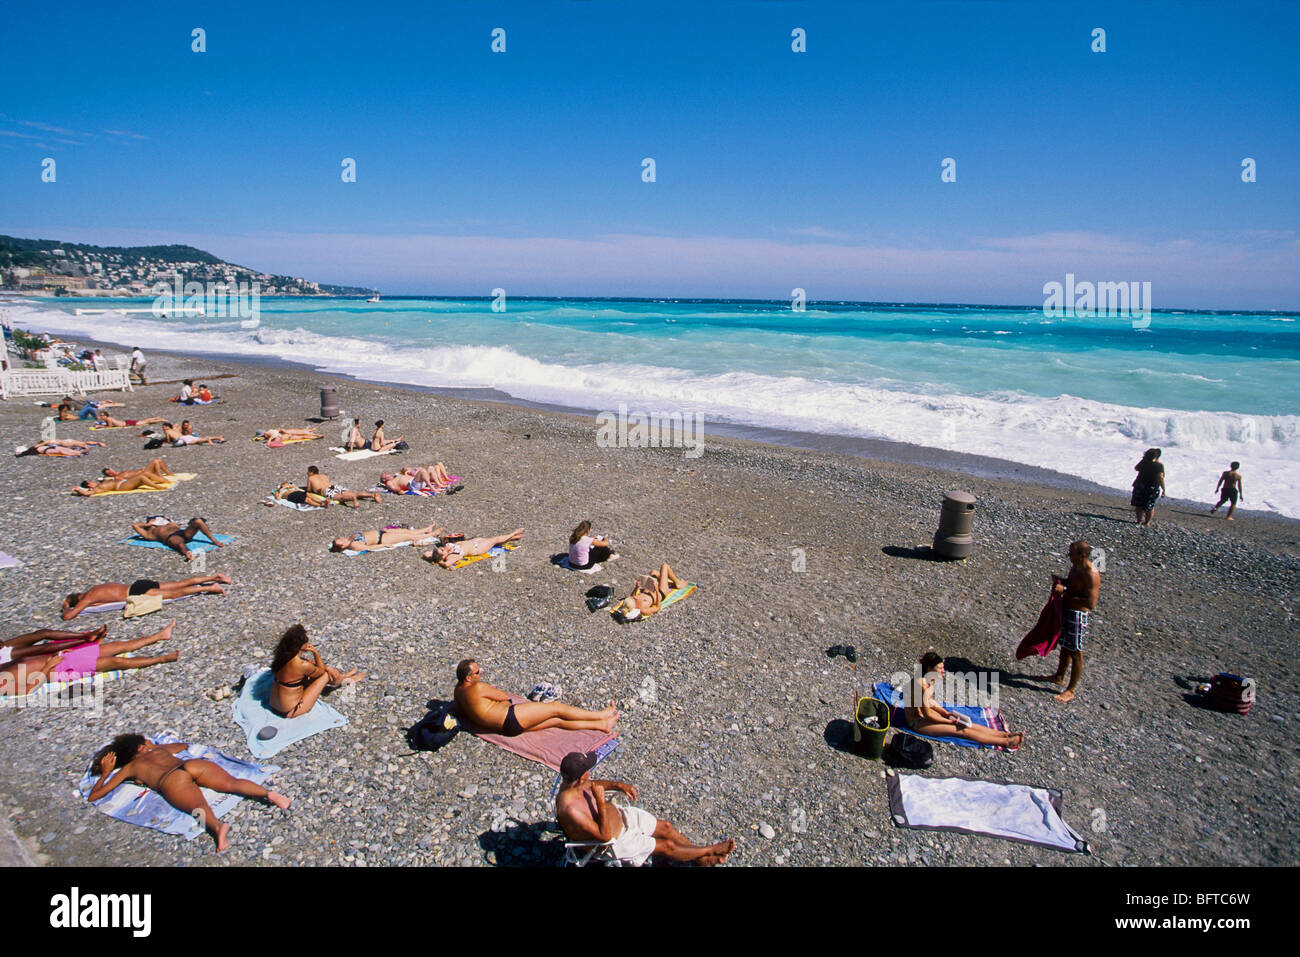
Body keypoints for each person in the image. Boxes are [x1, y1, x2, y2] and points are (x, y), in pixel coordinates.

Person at [86, 734, 291, 852]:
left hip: (170, 780)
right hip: (191, 765)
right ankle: (270, 795)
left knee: (199, 808)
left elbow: (95, 795)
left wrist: (105, 773)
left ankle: (218, 829)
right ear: (141, 746)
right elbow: (183, 746)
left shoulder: (128, 769)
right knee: (232, 783)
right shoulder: (159, 750)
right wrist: (155, 746)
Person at [555, 751, 733, 866]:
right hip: (615, 842)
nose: (591, 771)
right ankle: (708, 851)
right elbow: (604, 837)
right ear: (582, 777)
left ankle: (700, 859)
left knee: (666, 827)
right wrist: (601, 802)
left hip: (622, 817)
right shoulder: (571, 809)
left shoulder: (574, 784)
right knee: (667, 846)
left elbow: (592, 784)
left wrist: (618, 785)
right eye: (589, 769)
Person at [1, 621, 179, 697]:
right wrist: (48, 665)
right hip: (60, 670)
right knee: (116, 662)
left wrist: (51, 657)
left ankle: (160, 636)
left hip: (59, 659)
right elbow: (28, 689)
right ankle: (162, 659)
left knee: (117, 646)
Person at [453, 659, 617, 735]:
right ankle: (600, 715)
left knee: (556, 722)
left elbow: (461, 710)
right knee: (556, 708)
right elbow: (503, 696)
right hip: (511, 717)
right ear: (468, 678)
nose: (481, 672)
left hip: (504, 729)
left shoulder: (458, 690)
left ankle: (602, 725)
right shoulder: (478, 688)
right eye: (477, 672)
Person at [904, 651, 1025, 747]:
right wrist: (948, 721)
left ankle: (1004, 734)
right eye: (940, 668)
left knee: (969, 724)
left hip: (926, 715)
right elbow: (928, 714)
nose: (943, 671)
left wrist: (945, 713)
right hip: (917, 722)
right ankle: (1005, 742)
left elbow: (931, 702)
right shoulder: (922, 685)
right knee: (961, 730)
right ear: (930, 668)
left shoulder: (928, 678)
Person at [1035, 540, 1101, 703]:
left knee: (1076, 651)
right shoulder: (1076, 566)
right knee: (1065, 645)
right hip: (1067, 609)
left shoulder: (1091, 574)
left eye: (1072, 554)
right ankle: (1059, 676)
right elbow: (1073, 586)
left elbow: (1090, 603)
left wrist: (1064, 591)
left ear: (1082, 555)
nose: (1069, 557)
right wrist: (1062, 582)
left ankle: (1071, 690)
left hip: (1078, 614)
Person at [269, 624, 364, 718]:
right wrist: (315, 653)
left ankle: (344, 676)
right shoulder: (301, 664)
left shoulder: (283, 658)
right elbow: (321, 672)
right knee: (327, 674)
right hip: (291, 711)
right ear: (302, 646)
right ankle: (346, 680)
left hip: (273, 706)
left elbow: (311, 667)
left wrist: (325, 667)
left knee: (312, 665)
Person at [61, 575, 231, 619]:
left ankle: (211, 587)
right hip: (138, 584)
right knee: (180, 583)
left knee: (177, 593)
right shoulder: (96, 588)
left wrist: (66, 606)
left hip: (136, 593)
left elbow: (69, 616)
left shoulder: (89, 598)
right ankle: (214, 577)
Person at [612, 562, 686, 621]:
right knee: (664, 566)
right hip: (660, 592)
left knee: (653, 572)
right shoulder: (643, 609)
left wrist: (637, 586)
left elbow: (632, 596)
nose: (635, 597)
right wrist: (656, 589)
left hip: (649, 587)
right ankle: (677, 583)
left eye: (634, 598)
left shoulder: (632, 600)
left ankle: (668, 581)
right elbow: (657, 607)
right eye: (634, 599)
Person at [129, 515, 224, 561]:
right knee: (180, 544)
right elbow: (135, 526)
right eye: (155, 518)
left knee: (198, 521)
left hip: (182, 532)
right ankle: (188, 553)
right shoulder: (150, 532)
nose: (158, 520)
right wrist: (149, 524)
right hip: (171, 537)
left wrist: (166, 520)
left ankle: (214, 540)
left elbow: (174, 523)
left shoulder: (169, 523)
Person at [422, 528, 522, 568]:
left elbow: (426, 554)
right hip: (478, 549)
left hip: (473, 542)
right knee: (495, 540)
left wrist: (434, 557)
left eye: (441, 549)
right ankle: (514, 533)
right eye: (442, 551)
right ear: (443, 556)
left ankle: (513, 537)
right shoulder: (452, 556)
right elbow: (447, 564)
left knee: (493, 540)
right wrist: (440, 561)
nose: (442, 548)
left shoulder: (445, 550)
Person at [330, 522, 445, 553]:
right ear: (343, 545)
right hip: (382, 539)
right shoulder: (353, 545)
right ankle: (432, 534)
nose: (341, 537)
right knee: (408, 536)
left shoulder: (350, 539)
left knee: (405, 531)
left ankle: (426, 530)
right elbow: (369, 548)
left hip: (381, 533)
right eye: (340, 540)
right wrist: (384, 545)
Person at [305, 465, 381, 507]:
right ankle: (372, 495)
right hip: (335, 487)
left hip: (326, 490)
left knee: (341, 498)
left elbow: (309, 490)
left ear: (311, 472)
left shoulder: (311, 478)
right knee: (355, 494)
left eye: (308, 472)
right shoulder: (323, 476)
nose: (307, 473)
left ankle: (353, 499)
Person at [1130, 448, 1165, 526]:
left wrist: (1143, 460)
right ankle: (1147, 522)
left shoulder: (1143, 463)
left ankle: (1139, 520)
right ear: (1155, 457)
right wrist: (1164, 490)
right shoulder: (1159, 465)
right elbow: (1161, 477)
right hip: (1152, 487)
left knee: (1139, 505)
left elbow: (1136, 468)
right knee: (1149, 506)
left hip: (1139, 485)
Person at [74, 472, 173, 496]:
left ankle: (165, 481)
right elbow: (87, 493)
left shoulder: (101, 483)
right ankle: (158, 487)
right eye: (91, 482)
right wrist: (79, 489)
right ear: (89, 485)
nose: (93, 482)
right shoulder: (97, 488)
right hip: (122, 487)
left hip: (124, 483)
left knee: (145, 473)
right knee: (141, 477)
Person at [15, 438, 105, 457]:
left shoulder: (33, 449)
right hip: (49, 449)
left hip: (47, 450)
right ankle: (80, 452)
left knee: (63, 450)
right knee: (64, 450)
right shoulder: (35, 447)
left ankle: (79, 452)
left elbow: (22, 454)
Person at [96, 410, 167, 428]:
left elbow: (109, 426)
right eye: (100, 415)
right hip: (126, 422)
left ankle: (160, 420)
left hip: (127, 423)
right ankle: (156, 418)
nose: (101, 416)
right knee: (144, 421)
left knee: (144, 422)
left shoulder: (108, 419)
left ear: (106, 415)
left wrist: (100, 426)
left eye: (102, 415)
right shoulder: (108, 418)